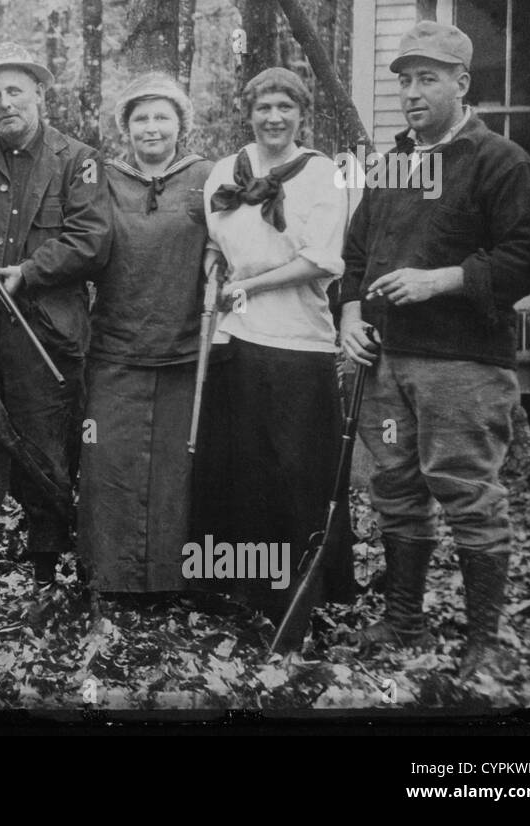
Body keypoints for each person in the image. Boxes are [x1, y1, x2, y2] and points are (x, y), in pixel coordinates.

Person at [340, 22, 530, 678]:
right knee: (396, 490)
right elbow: (354, 254)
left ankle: (484, 641)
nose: (411, 91)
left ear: (462, 83)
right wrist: (348, 311)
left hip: (461, 364)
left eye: (427, 77)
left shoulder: (500, 160)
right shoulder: (393, 163)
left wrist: (443, 279)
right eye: (404, 79)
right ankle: (402, 621)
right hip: (384, 362)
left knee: (464, 489)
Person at [0, 42, 112, 621]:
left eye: (15, 90)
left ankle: (45, 576)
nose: (4, 102)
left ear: (41, 93)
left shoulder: (80, 159)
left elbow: (93, 239)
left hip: (50, 335)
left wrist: (30, 271)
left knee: (46, 452)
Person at [197, 66, 355, 646]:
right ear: (249, 112)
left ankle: (300, 603)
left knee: (295, 476)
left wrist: (251, 284)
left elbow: (322, 261)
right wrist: (216, 271)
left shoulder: (322, 176)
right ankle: (250, 596)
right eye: (264, 106)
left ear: (301, 114)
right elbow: (214, 246)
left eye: (285, 107)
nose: (273, 118)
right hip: (234, 345)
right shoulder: (225, 171)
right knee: (245, 474)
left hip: (298, 346)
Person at [77, 72, 215, 599]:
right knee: (109, 462)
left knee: (176, 471)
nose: (152, 128)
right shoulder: (101, 178)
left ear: (181, 124)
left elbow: (238, 235)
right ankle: (110, 580)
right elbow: (75, 238)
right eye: (141, 118)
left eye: (162, 117)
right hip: (116, 347)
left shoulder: (208, 175)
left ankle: (172, 584)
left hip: (185, 350)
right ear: (126, 127)